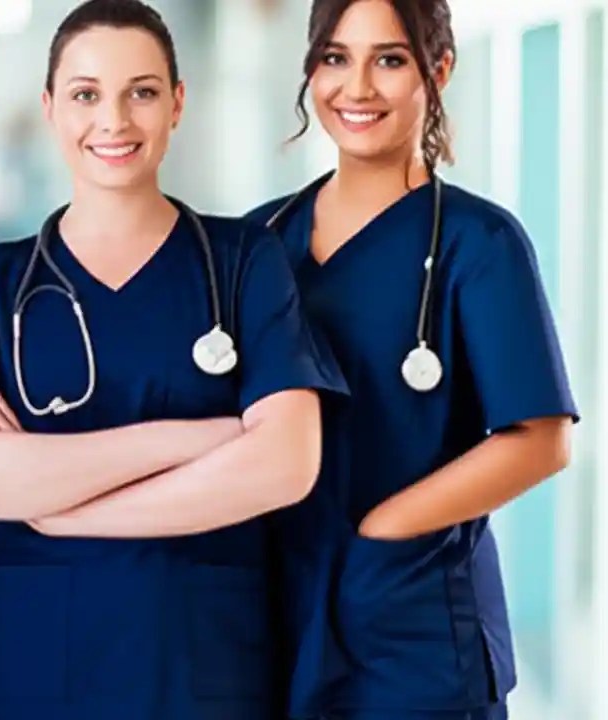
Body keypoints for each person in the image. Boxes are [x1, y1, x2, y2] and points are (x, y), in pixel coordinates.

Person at [0, 1, 347, 719]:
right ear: (51, 107)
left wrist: (57, 505)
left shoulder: (243, 264)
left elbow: (286, 463)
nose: (113, 120)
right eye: (86, 94)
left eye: (141, 92)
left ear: (177, 104)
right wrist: (200, 437)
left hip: (203, 673)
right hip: (40, 673)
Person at [246, 1, 578, 718]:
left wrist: (385, 530)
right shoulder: (259, 241)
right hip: (274, 606)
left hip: (411, 620)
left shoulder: (480, 244)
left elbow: (542, 439)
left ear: (439, 70)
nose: (356, 86)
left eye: (389, 59)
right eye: (335, 57)